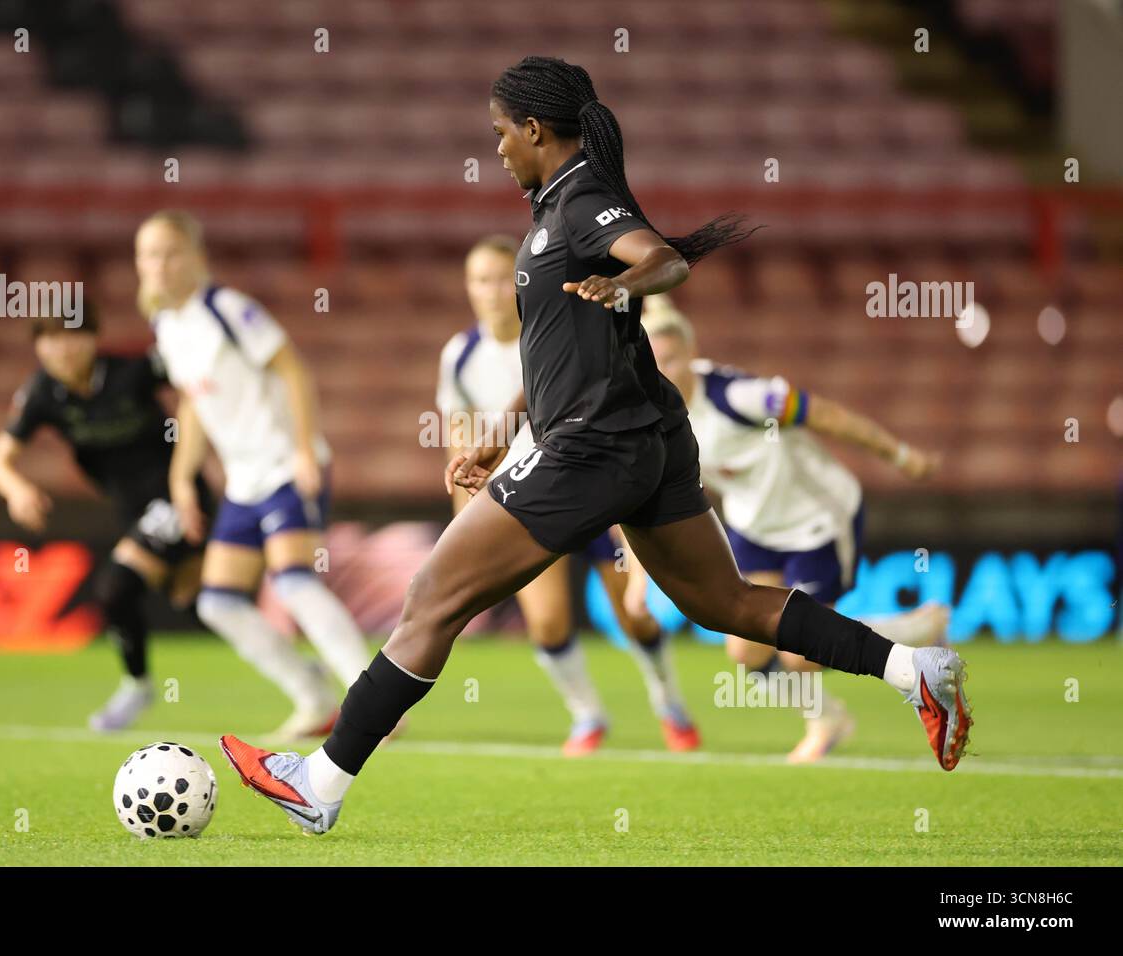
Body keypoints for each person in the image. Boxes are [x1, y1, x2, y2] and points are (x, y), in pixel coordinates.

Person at [220, 56, 973, 835]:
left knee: (428, 602)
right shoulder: (554, 208)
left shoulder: (582, 200)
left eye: (501, 134)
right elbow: (557, 349)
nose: (498, 149)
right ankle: (912, 668)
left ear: (536, 129)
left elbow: (665, 260)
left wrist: (625, 285)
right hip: (643, 442)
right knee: (726, 603)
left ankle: (321, 784)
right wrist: (502, 435)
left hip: (593, 450)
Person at [627, 295, 950, 762]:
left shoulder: (739, 397)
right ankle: (826, 719)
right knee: (745, 652)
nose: (664, 369)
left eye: (673, 357)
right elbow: (643, 500)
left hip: (817, 518)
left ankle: (922, 628)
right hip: (755, 527)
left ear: (691, 352)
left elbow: (827, 415)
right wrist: (638, 580)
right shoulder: (655, 418)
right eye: (653, 361)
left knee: (802, 652)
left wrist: (899, 455)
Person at [439, 235, 697, 755]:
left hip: (594, 478)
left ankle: (668, 701)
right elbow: (460, 433)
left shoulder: (555, 331)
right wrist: (462, 517)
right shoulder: (460, 354)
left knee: (634, 614)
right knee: (548, 622)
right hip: (525, 499)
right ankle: (587, 715)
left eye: (499, 278)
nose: (489, 291)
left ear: (519, 281)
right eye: (479, 280)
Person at [135, 210, 372, 739]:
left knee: (292, 581)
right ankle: (314, 698)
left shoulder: (227, 310)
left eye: (170, 251)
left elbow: (292, 369)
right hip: (244, 481)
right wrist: (181, 479)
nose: (159, 264)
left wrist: (306, 449)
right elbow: (195, 405)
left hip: (286, 465)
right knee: (218, 602)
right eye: (148, 254)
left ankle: (374, 699)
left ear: (195, 257)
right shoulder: (168, 328)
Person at [0, 304, 206, 730]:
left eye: (72, 336)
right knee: (204, 603)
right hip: (132, 510)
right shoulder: (41, 394)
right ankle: (304, 673)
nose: (62, 348)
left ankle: (137, 687)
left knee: (116, 586)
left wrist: (185, 473)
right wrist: (18, 489)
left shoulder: (133, 372)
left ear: (93, 339)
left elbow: (196, 381)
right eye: (49, 338)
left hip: (178, 497)